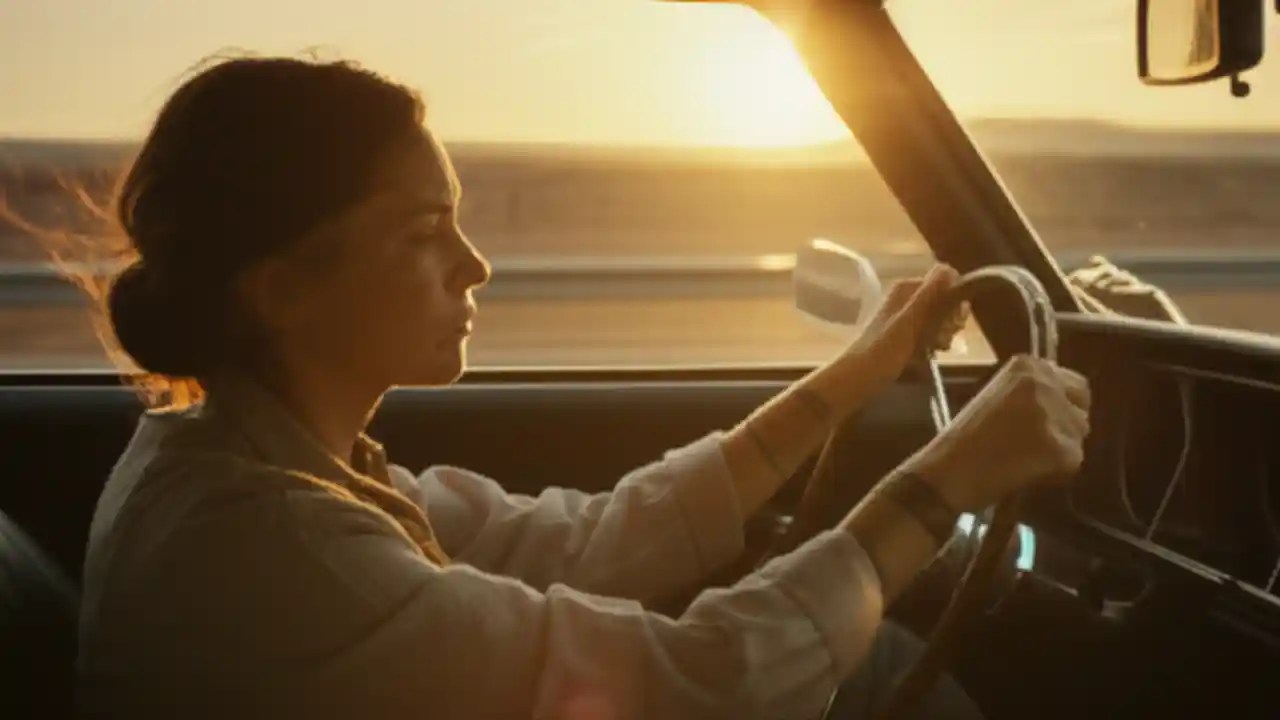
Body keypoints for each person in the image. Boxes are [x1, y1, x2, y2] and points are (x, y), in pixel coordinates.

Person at [76, 57, 1091, 719]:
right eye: (423, 235)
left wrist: (855, 373)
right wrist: (943, 481)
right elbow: (701, 683)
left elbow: (587, 538)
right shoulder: (275, 547)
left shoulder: (268, 464)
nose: (473, 266)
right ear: (282, 289)